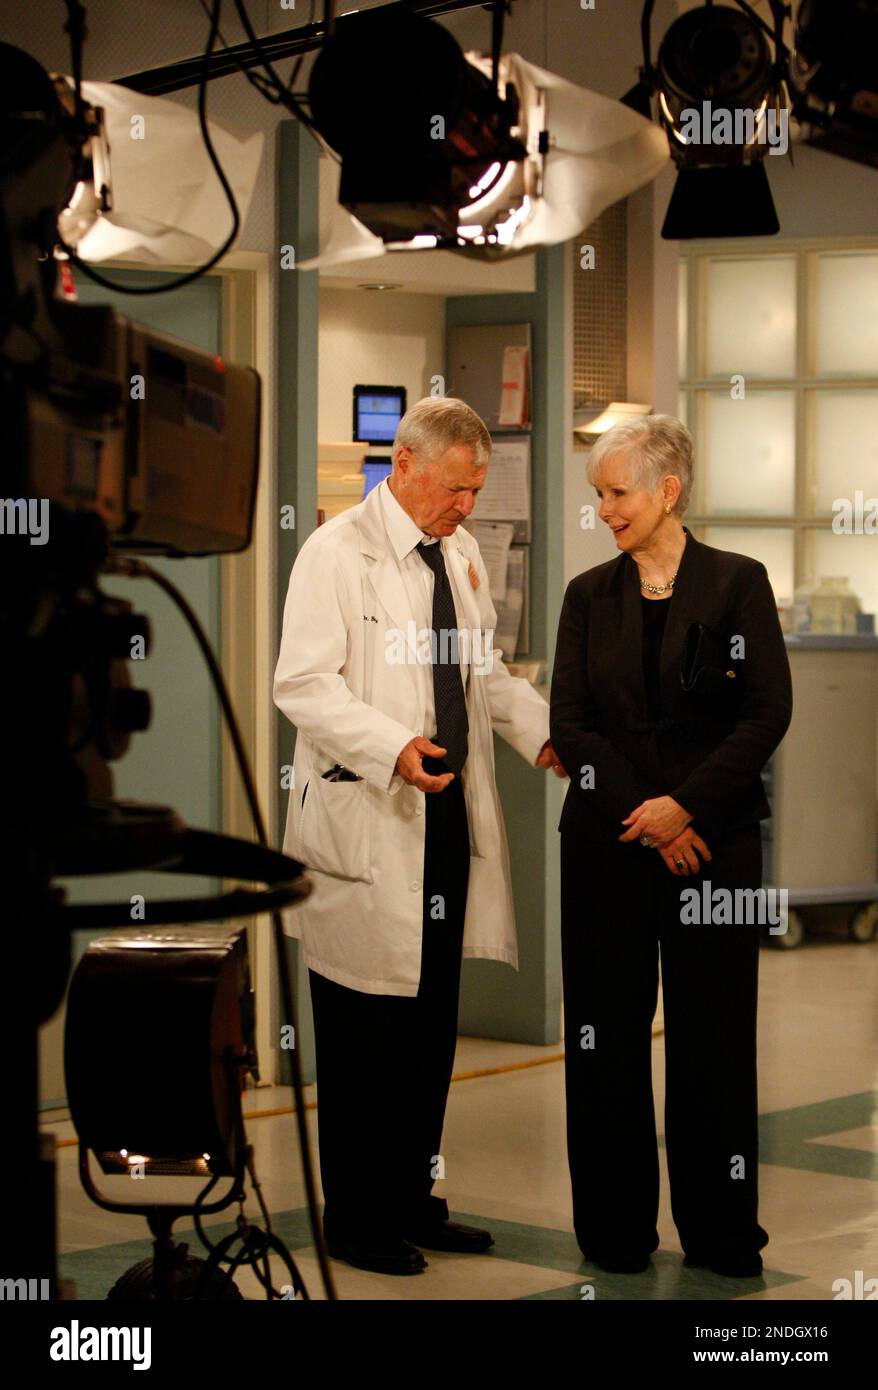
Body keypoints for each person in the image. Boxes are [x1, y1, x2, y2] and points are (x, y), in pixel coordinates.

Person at [274, 395, 565, 1276]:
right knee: (364, 1038)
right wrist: (389, 746)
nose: (468, 505)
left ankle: (411, 1198)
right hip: (369, 820)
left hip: (442, 818)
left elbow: (482, 677)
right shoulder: (335, 554)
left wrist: (547, 734)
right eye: (455, 488)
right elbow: (303, 685)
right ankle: (356, 1220)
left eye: (476, 490)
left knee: (430, 1027)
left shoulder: (462, 554)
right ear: (403, 464)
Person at [549, 414, 792, 1279]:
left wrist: (684, 808)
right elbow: (570, 727)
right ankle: (613, 1235)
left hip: (712, 849)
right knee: (603, 1041)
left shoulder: (737, 584)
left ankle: (723, 1235)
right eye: (599, 496)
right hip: (611, 847)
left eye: (617, 494)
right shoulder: (587, 596)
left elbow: (766, 714)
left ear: (667, 491)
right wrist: (647, 815)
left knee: (714, 1043)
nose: (605, 511)